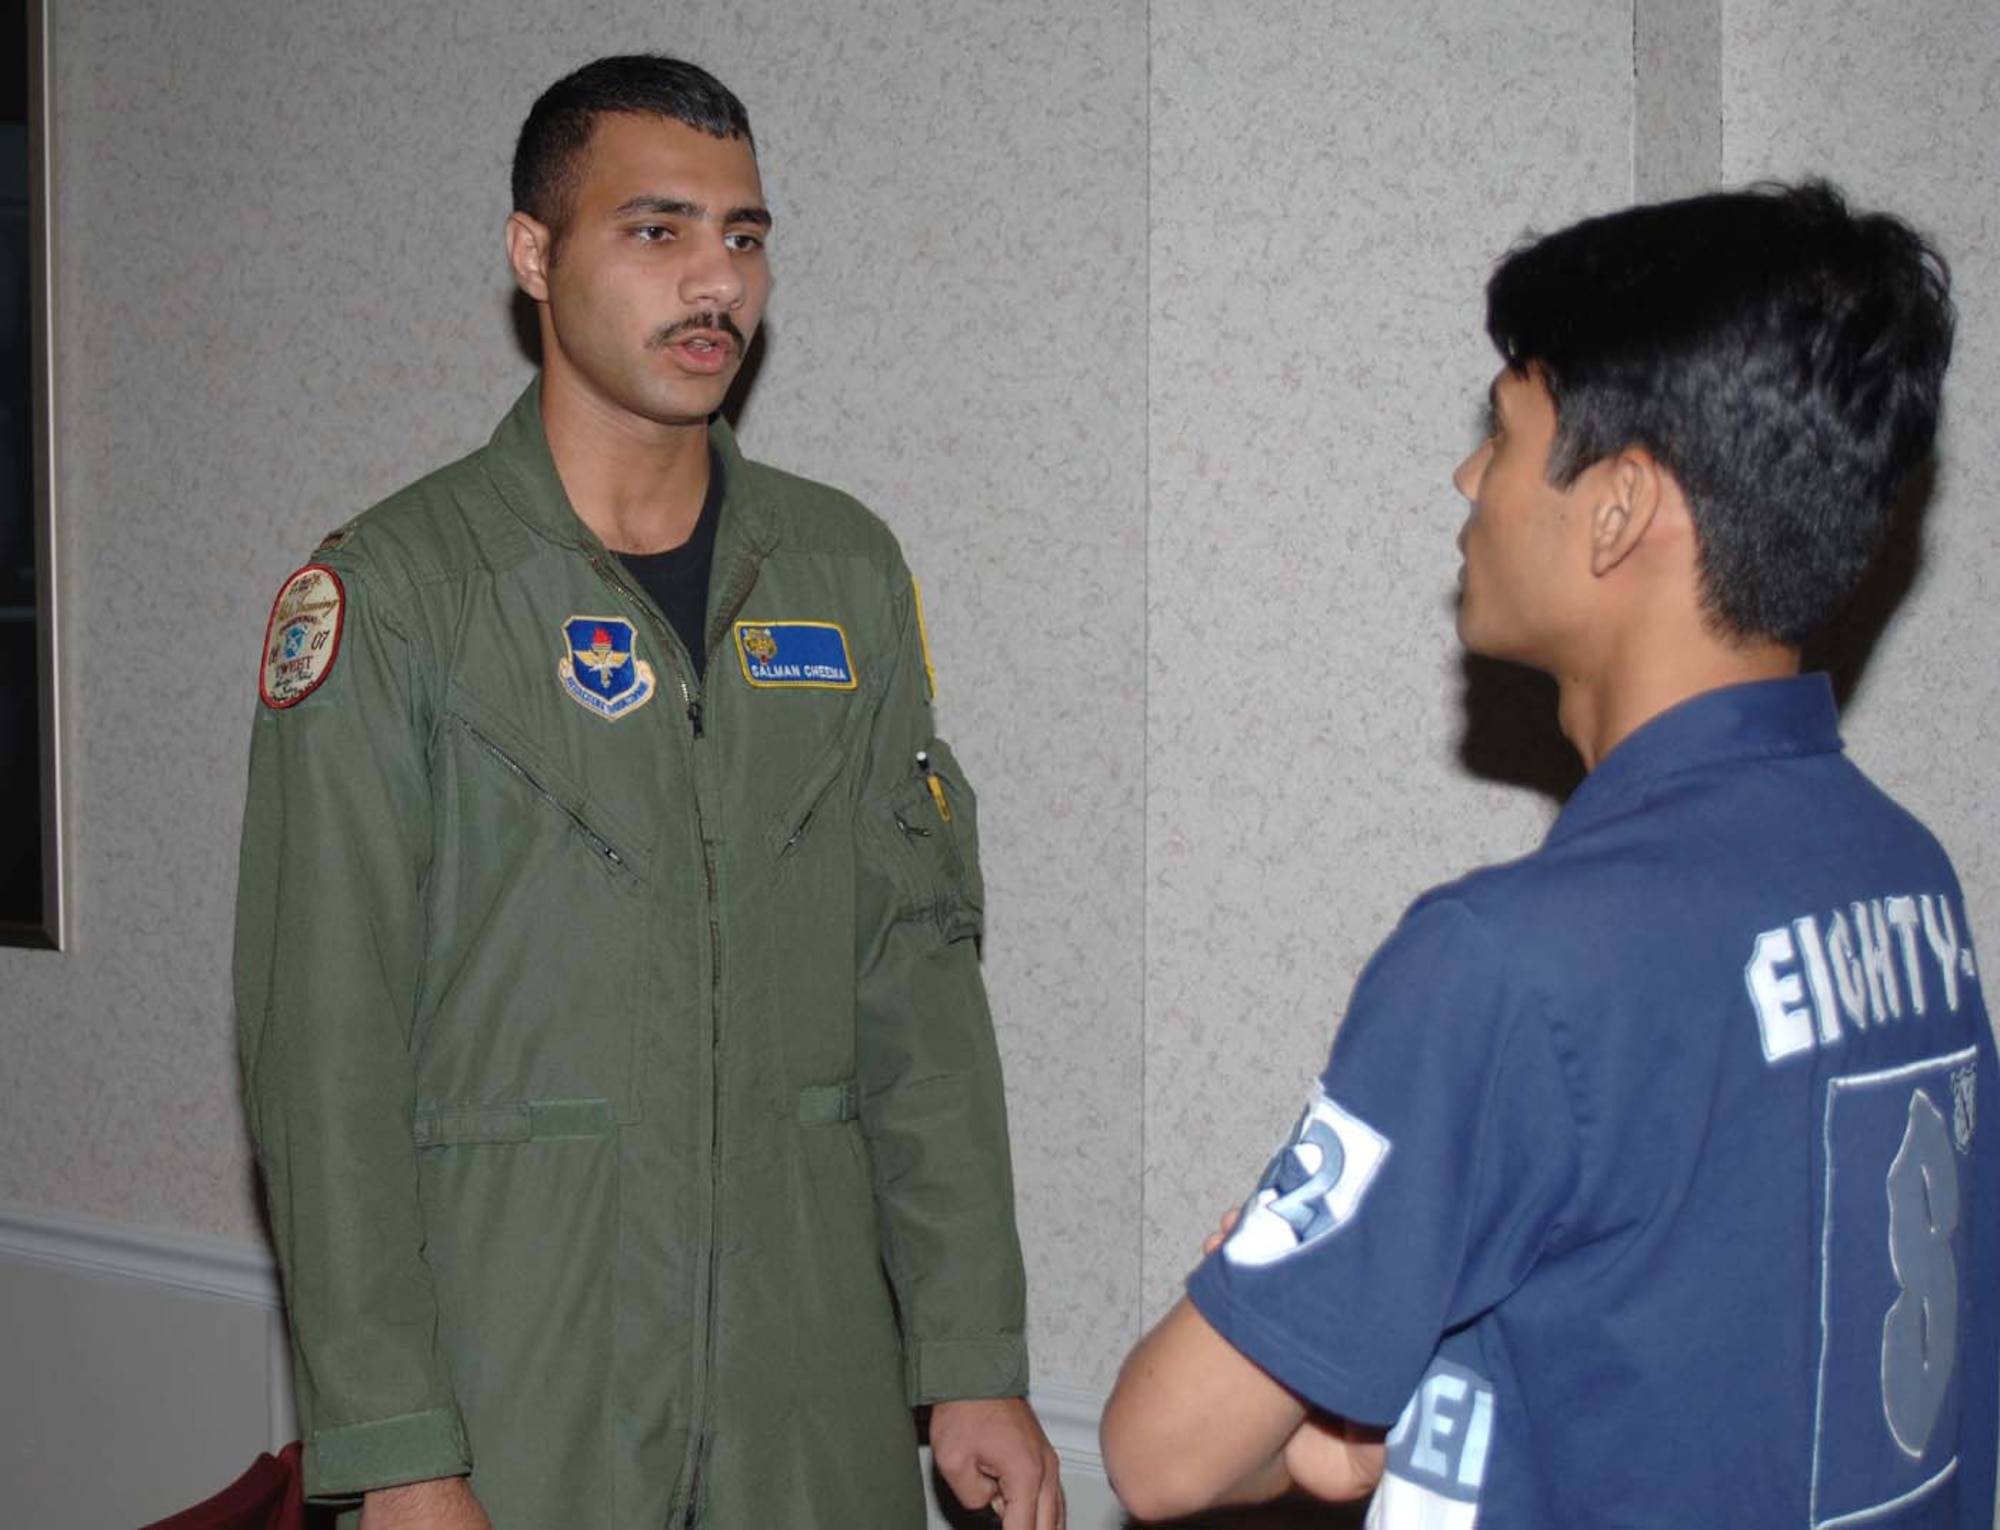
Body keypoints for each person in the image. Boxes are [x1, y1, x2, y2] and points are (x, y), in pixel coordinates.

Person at [234, 54, 1062, 1530]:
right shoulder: (402, 595)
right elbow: (324, 1065)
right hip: (516, 1402)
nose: (716, 284)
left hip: (806, 1403)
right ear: (534, 254)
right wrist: (398, 1447)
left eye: (743, 236)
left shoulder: (842, 571)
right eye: (658, 230)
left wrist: (969, 1354)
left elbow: (917, 989)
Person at [1101, 181, 1998, 1527]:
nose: (1471, 479)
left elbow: (1156, 1451)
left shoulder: (1511, 961)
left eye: (1506, 433)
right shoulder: (1903, 871)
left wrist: (1302, 1383)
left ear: (1620, 506)